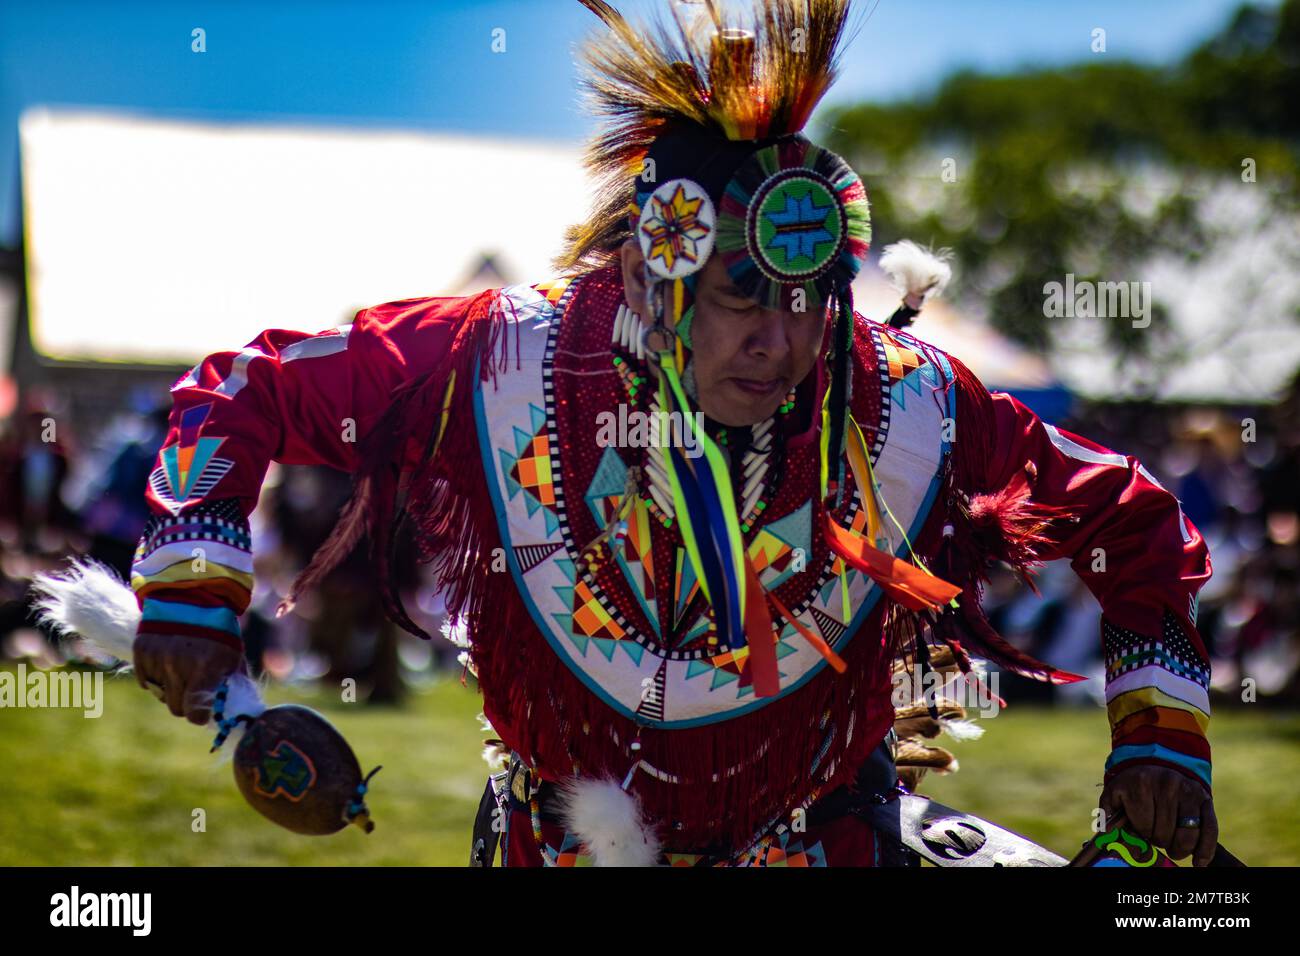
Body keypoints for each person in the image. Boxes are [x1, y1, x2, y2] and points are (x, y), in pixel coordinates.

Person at [129, 0, 1216, 866]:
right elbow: (246, 386)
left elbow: (1129, 514)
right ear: (655, 271)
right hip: (558, 844)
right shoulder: (497, 361)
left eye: (811, 296)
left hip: (826, 840)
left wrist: (1157, 731)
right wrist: (192, 581)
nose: (780, 339)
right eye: (742, 293)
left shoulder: (905, 400)